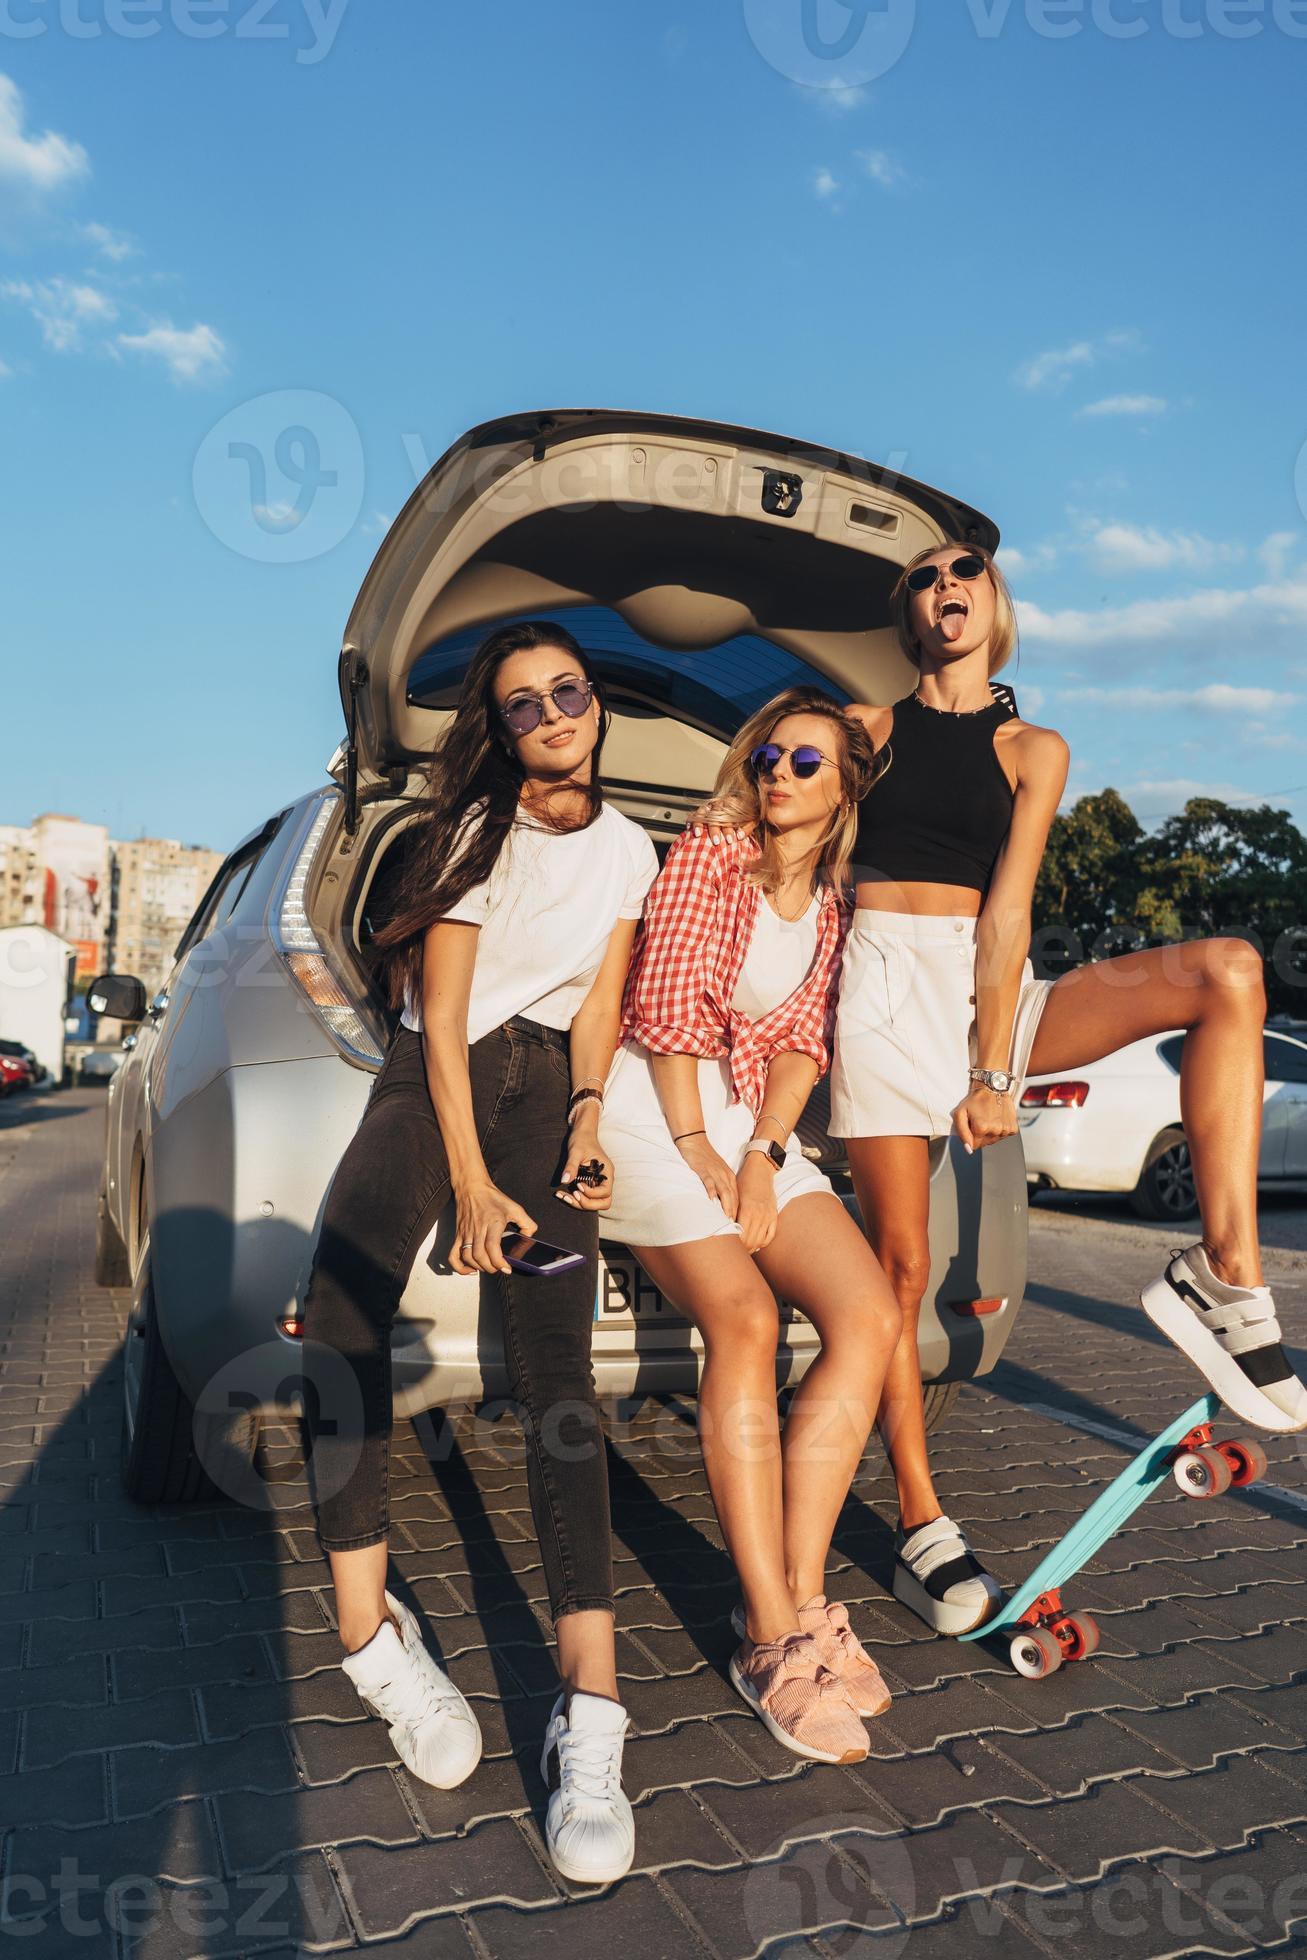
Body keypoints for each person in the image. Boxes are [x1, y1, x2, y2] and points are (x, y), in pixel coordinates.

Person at [831, 542, 1307, 1636]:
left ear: (994, 606)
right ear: (906, 615)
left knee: (1228, 969)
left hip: (990, 982)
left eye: (966, 572)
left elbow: (1007, 910)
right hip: (880, 992)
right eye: (922, 577)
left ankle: (1221, 1275)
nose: (944, 585)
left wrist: (995, 1068)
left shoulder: (1030, 748)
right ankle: (917, 1519)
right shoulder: (861, 732)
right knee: (900, 1269)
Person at [300, 620, 657, 1885]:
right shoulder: (469, 834)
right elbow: (442, 1021)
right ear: (496, 731)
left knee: (559, 1369)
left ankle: (590, 1718)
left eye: (568, 691)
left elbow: (604, 997)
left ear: (596, 703)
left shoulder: (630, 849)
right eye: (522, 703)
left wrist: (584, 1122)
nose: (553, 712)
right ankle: (369, 1638)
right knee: (340, 1311)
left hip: (549, 1096)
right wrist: (466, 1181)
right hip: (436, 1087)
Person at [599, 688, 904, 1766]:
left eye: (806, 761)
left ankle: (807, 1597)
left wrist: (765, 1156)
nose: (778, 772)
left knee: (865, 1315)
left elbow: (798, 1046)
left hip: (737, 1118)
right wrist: (702, 1158)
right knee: (743, 1320)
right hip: (649, 1109)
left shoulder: (826, 897)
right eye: (767, 753)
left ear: (843, 788)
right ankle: (765, 1630)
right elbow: (670, 1016)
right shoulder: (706, 853)